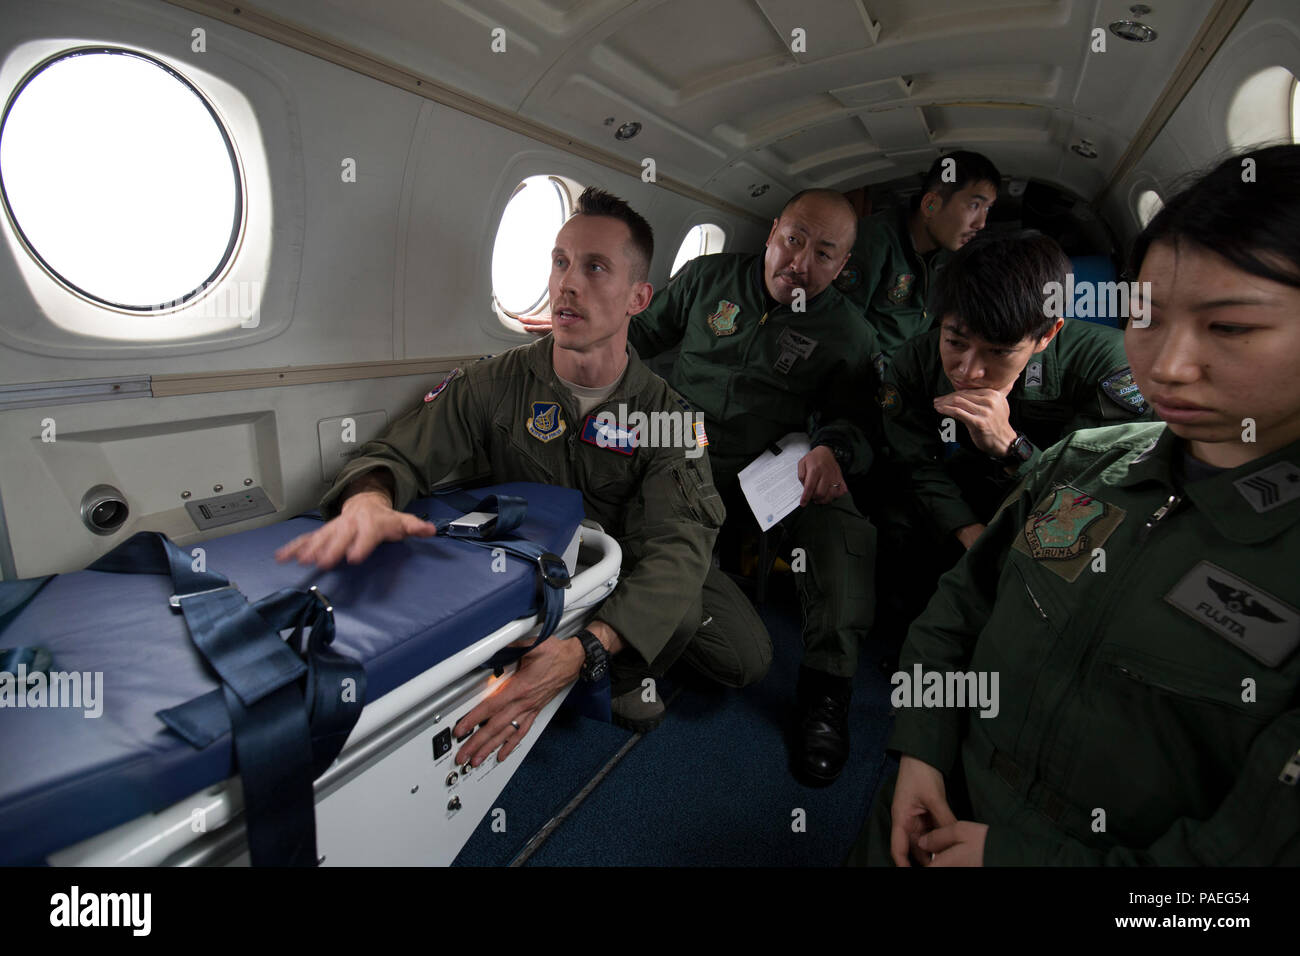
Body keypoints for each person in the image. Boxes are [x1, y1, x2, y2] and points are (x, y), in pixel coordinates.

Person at [849, 144, 1300, 865]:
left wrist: (1017, 861)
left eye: (1231, 327)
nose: (1170, 366)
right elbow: (958, 611)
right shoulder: (1087, 465)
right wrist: (921, 750)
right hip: (936, 802)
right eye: (1147, 316)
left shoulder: (1089, 392)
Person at [276, 187, 771, 763]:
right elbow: (398, 453)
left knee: (740, 655)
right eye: (560, 262)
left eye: (595, 268)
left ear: (639, 297)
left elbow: (679, 547)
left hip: (635, 560)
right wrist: (369, 500)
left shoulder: (672, 420)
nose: (567, 283)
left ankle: (629, 672)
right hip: (543, 558)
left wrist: (590, 648)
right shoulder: (496, 383)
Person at [627, 188, 877, 786]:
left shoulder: (848, 334)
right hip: (683, 451)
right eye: (794, 240)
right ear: (771, 232)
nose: (800, 263)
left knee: (843, 529)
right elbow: (639, 338)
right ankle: (654, 629)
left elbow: (859, 421)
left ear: (842, 266)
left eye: (824, 253)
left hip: (769, 469)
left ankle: (826, 694)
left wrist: (831, 449)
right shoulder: (707, 278)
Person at [871, 231, 1153, 645]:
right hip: (970, 481)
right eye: (955, 342)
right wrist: (966, 528)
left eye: (998, 352)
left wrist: (1012, 447)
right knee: (896, 515)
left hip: (1056, 494)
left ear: (1047, 335)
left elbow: (1091, 494)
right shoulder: (915, 361)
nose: (968, 370)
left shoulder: (1111, 368)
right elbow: (915, 461)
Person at [837, 151, 1000, 371]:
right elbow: (843, 326)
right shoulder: (874, 240)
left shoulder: (949, 257)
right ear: (931, 205)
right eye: (974, 206)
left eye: (987, 209)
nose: (981, 223)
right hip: (862, 374)